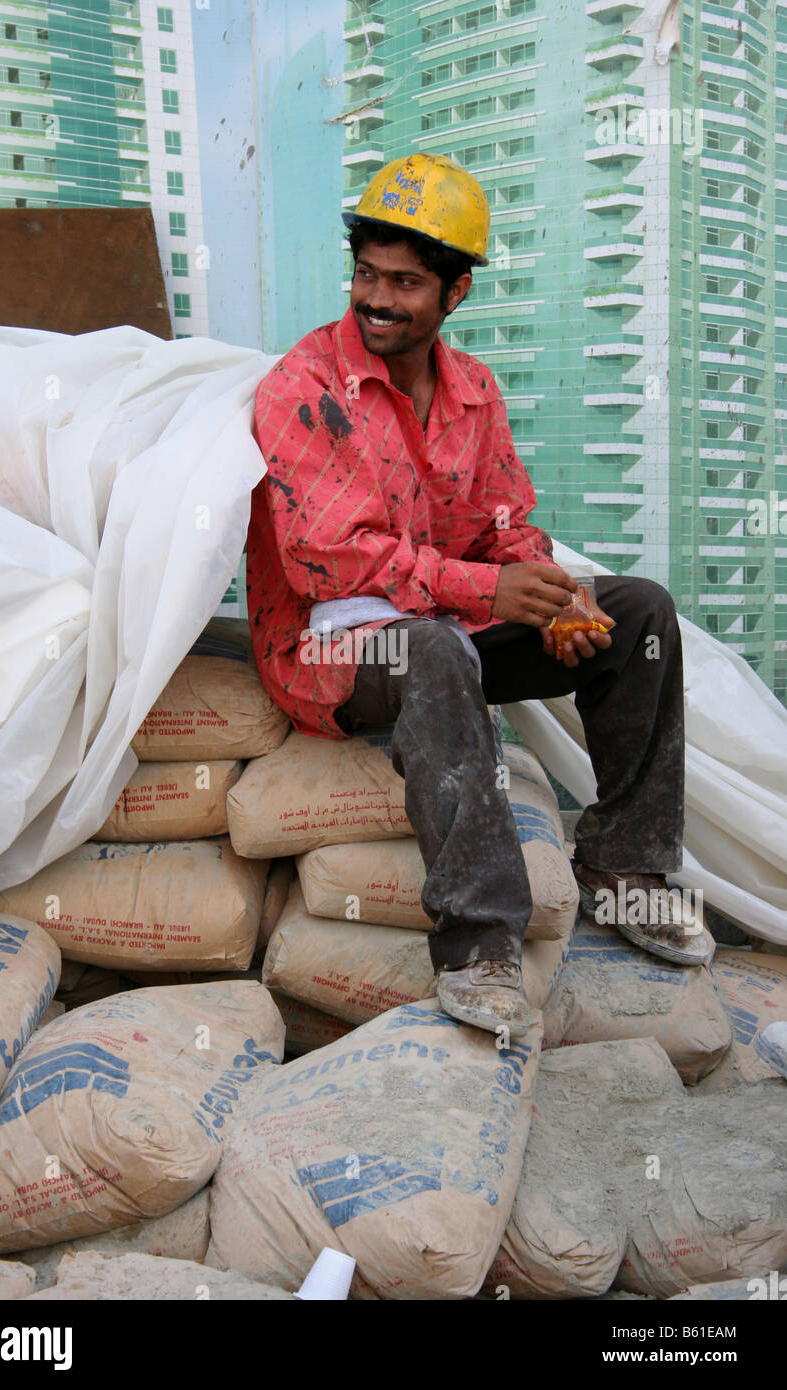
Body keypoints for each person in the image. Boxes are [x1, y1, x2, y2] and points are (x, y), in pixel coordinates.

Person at [246, 153, 706, 1039]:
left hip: (445, 623)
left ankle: (624, 872)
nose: (377, 298)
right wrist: (485, 588)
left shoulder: (473, 392)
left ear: (454, 293)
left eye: (405, 283)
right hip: (335, 649)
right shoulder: (303, 391)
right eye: (367, 275)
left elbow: (502, 522)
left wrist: (555, 597)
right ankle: (478, 941)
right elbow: (325, 562)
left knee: (639, 611)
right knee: (434, 647)